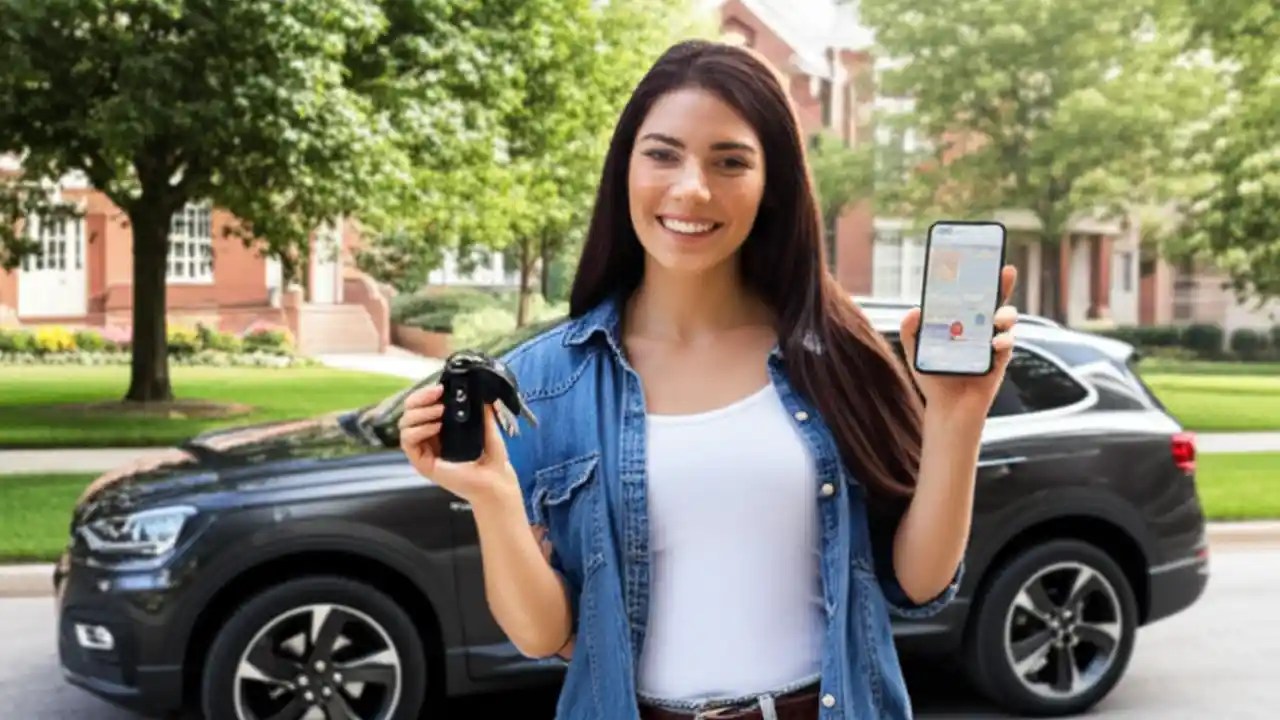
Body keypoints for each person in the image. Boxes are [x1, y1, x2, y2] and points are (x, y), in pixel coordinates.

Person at [398, 39, 1018, 720]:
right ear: (625, 170)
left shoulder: (836, 354)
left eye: (730, 162)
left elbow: (919, 584)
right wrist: (493, 497)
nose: (692, 189)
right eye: (662, 154)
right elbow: (544, 634)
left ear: (771, 185)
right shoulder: (548, 384)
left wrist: (957, 418)